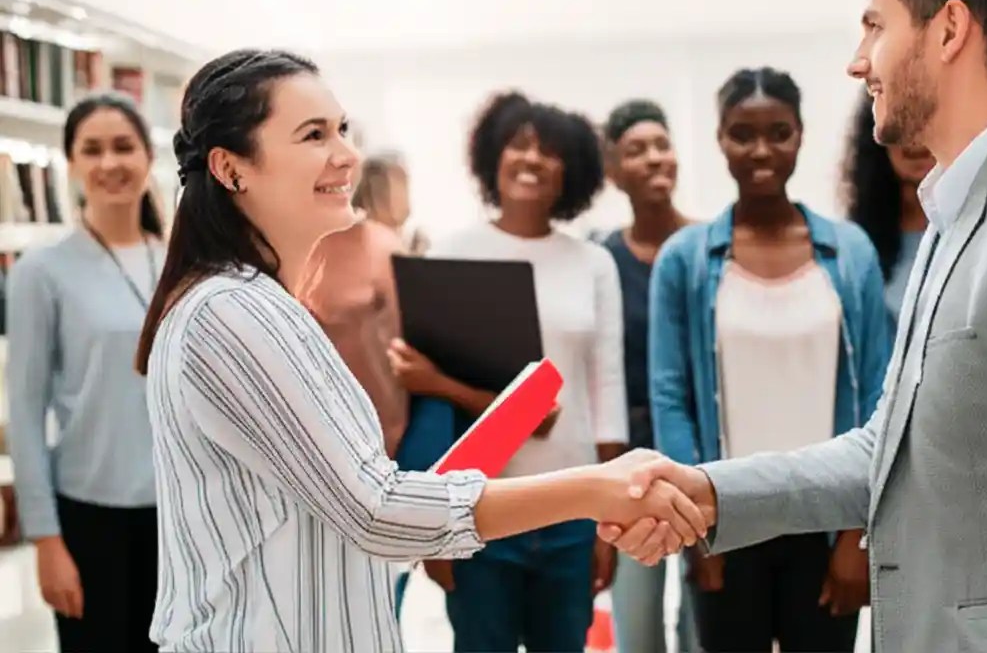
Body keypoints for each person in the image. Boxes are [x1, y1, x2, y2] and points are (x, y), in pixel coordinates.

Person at [602, 0, 987, 652]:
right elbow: (892, 450)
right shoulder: (956, 216)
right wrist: (708, 490)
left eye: (876, 26)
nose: (857, 60)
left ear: (950, 30)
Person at [132, 49, 705, 652]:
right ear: (231, 168)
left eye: (343, 130)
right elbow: (376, 509)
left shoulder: (255, 304)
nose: (347, 155)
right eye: (313, 135)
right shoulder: (232, 311)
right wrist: (596, 488)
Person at [647, 67, 893, 653]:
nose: (761, 149)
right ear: (720, 140)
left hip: (827, 519)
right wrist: (695, 529)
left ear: (800, 136)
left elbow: (881, 398)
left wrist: (857, 536)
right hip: (725, 518)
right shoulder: (684, 259)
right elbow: (669, 395)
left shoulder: (850, 251)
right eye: (742, 133)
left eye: (778, 132)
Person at [388, 91, 628, 653]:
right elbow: (431, 406)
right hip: (477, 506)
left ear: (573, 171)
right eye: (519, 145)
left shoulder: (593, 263)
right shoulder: (452, 253)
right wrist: (432, 531)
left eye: (550, 151)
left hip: (574, 504)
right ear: (492, 156)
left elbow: (608, 391)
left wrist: (609, 519)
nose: (532, 160)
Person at [6, 93, 167, 652]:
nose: (109, 163)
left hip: (180, 517)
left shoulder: (182, 261)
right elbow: (24, 413)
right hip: (88, 519)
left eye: (123, 146)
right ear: (71, 164)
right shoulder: (41, 271)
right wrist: (46, 539)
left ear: (149, 156)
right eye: (91, 150)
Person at [597, 99, 698, 653]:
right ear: (613, 171)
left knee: (704, 629)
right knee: (636, 633)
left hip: (703, 461)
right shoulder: (603, 258)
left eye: (662, 145)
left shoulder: (708, 246)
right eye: (637, 150)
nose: (655, 158)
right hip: (628, 473)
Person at [298, 154, 411, 457]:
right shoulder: (279, 253)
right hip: (315, 449)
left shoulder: (382, 247)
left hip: (387, 446)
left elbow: (417, 353)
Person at [841, 90, 934, 326]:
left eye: (926, 120)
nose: (914, 139)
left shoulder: (983, 230)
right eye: (900, 122)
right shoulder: (853, 247)